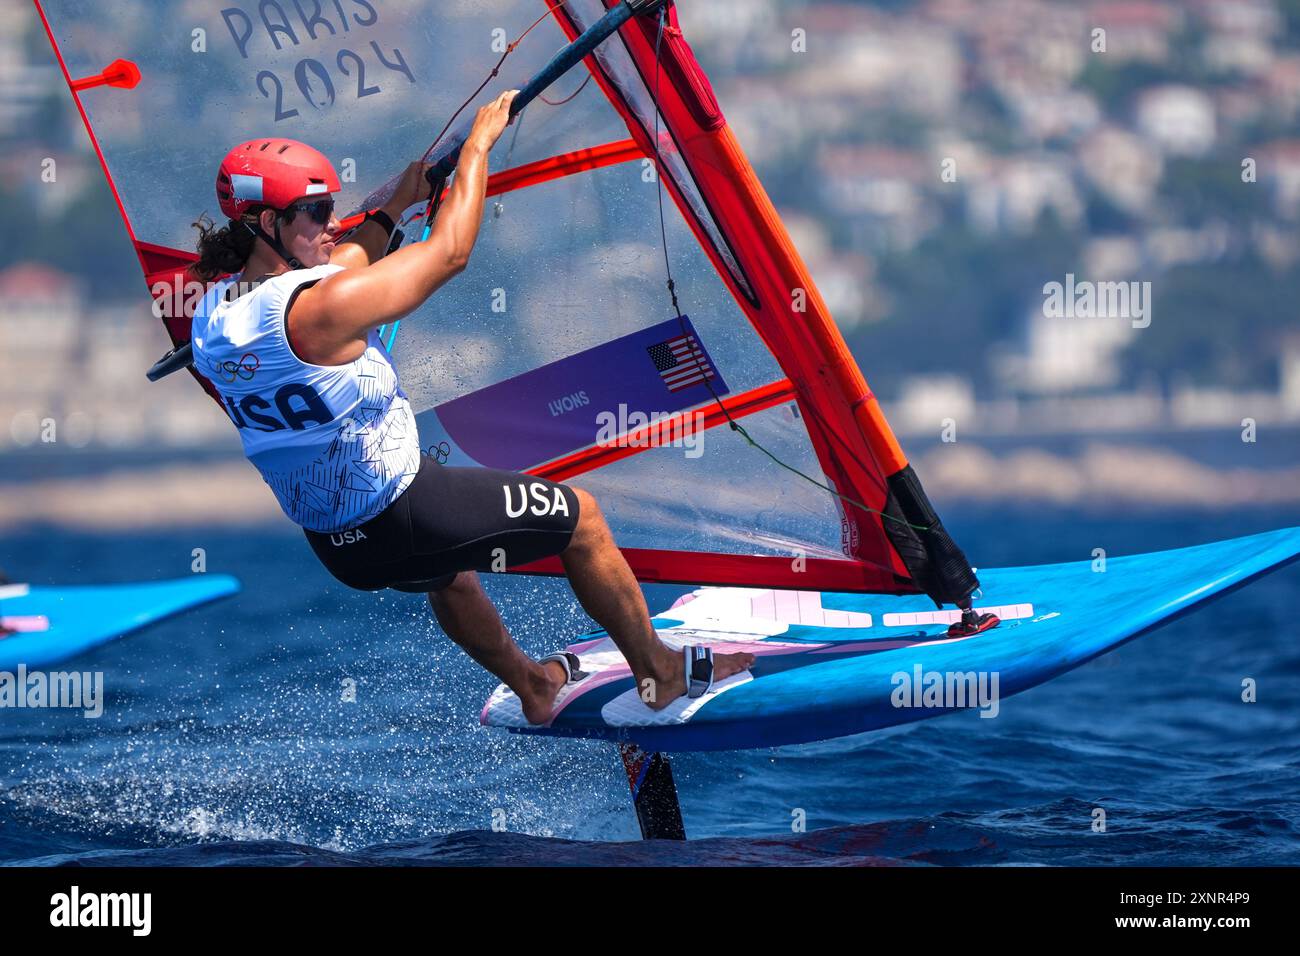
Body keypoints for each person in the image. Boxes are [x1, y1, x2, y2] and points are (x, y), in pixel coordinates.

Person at [189, 91, 752, 723]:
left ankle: (534, 686)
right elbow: (449, 254)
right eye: (315, 212)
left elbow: (341, 265)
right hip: (403, 510)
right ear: (267, 225)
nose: (329, 223)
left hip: (340, 549)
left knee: (449, 572)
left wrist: (397, 204)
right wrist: (479, 145)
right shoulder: (321, 310)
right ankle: (661, 672)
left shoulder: (210, 321)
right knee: (583, 521)